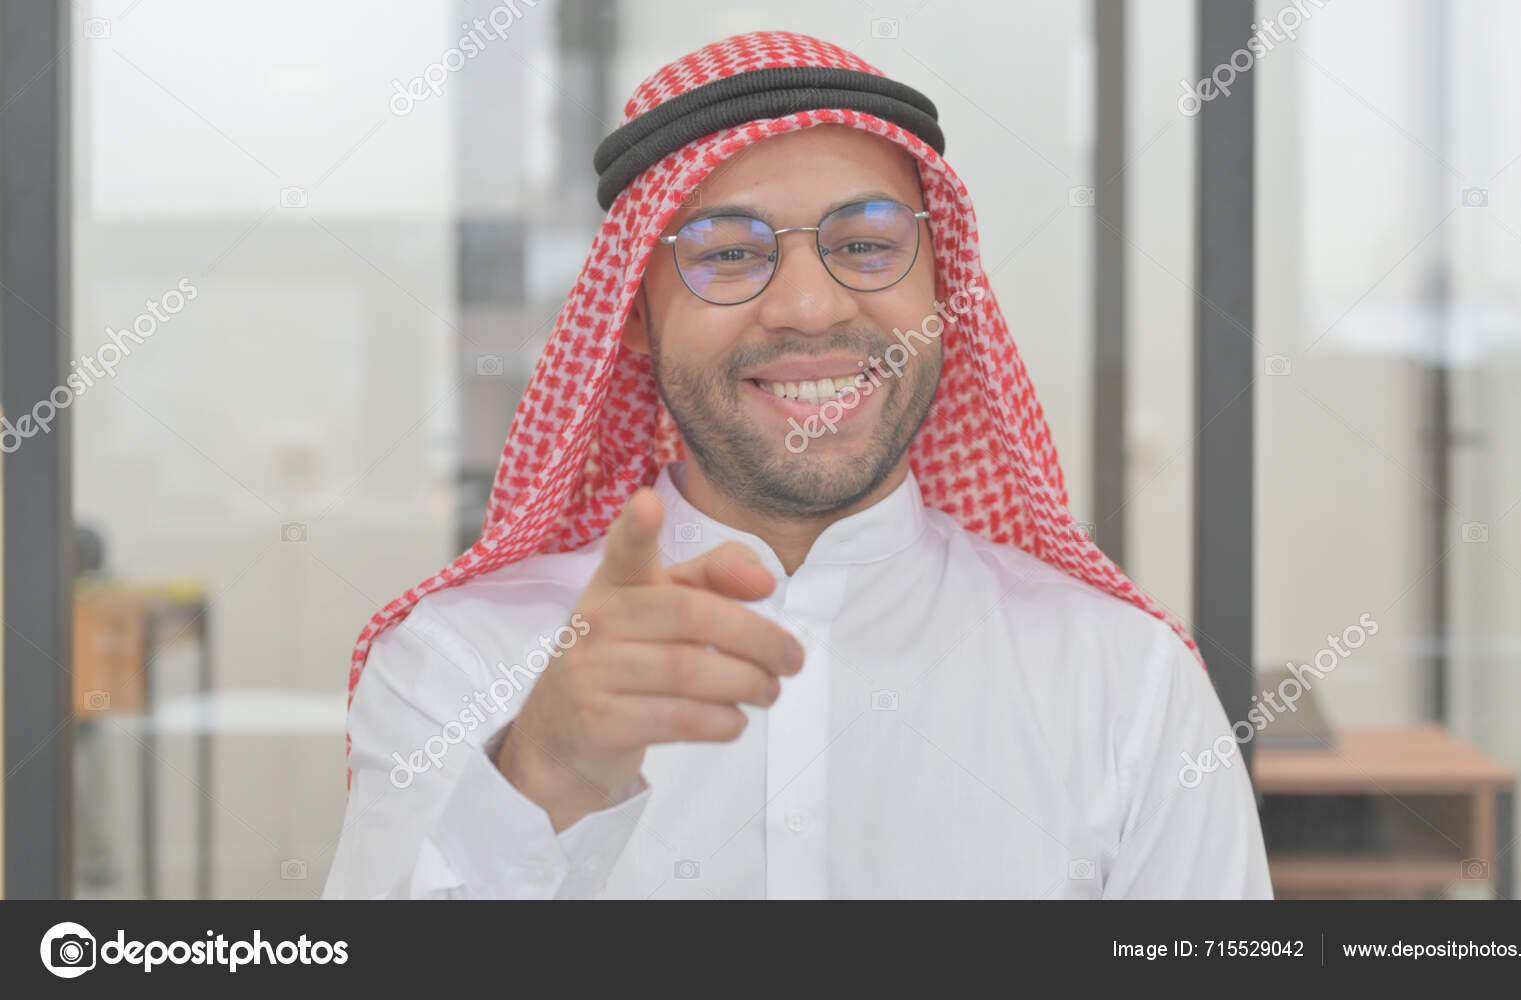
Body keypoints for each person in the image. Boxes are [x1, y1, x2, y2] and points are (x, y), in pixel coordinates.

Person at [323, 30, 1271, 899]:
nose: (811, 309)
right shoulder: (462, 661)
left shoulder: (1122, 679)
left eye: (866, 246)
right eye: (730, 255)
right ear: (634, 317)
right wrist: (545, 774)